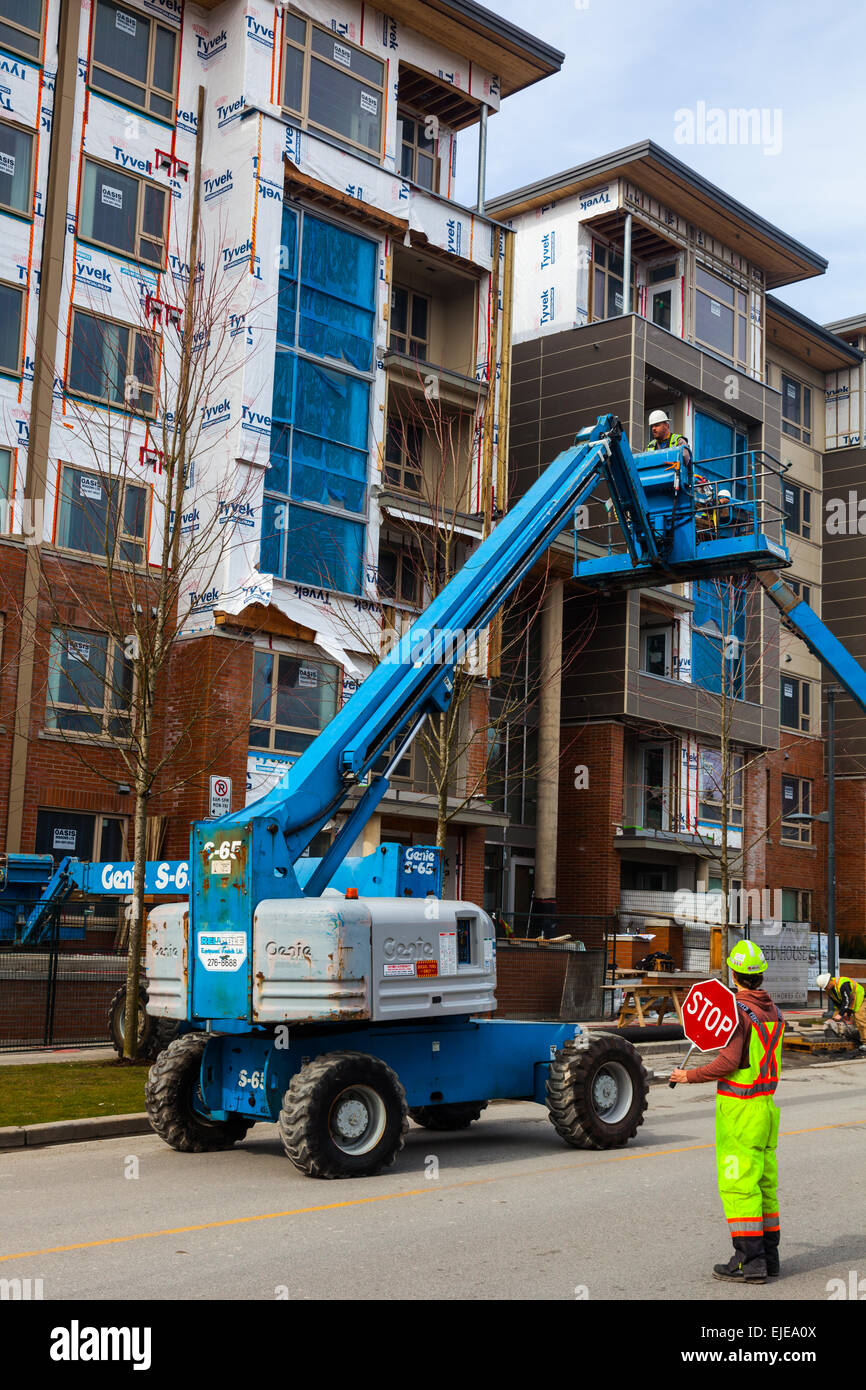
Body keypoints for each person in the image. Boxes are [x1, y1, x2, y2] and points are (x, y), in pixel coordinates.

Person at [670, 940, 784, 1284]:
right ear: (760, 975)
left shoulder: (738, 1011)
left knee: (738, 1186)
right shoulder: (774, 1011)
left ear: (734, 974)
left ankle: (749, 1263)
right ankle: (770, 1258)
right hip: (765, 1109)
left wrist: (688, 1075)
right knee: (764, 1184)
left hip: (740, 1110)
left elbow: (729, 1061)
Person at [815, 971, 866, 1045]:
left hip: (859, 999)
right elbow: (836, 1002)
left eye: (826, 986)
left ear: (830, 981)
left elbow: (847, 1001)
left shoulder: (843, 984)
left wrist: (841, 1013)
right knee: (834, 1020)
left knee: (860, 1020)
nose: (826, 988)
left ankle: (865, 1042)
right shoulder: (829, 990)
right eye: (825, 988)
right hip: (848, 1002)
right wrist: (844, 1013)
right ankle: (841, 1037)